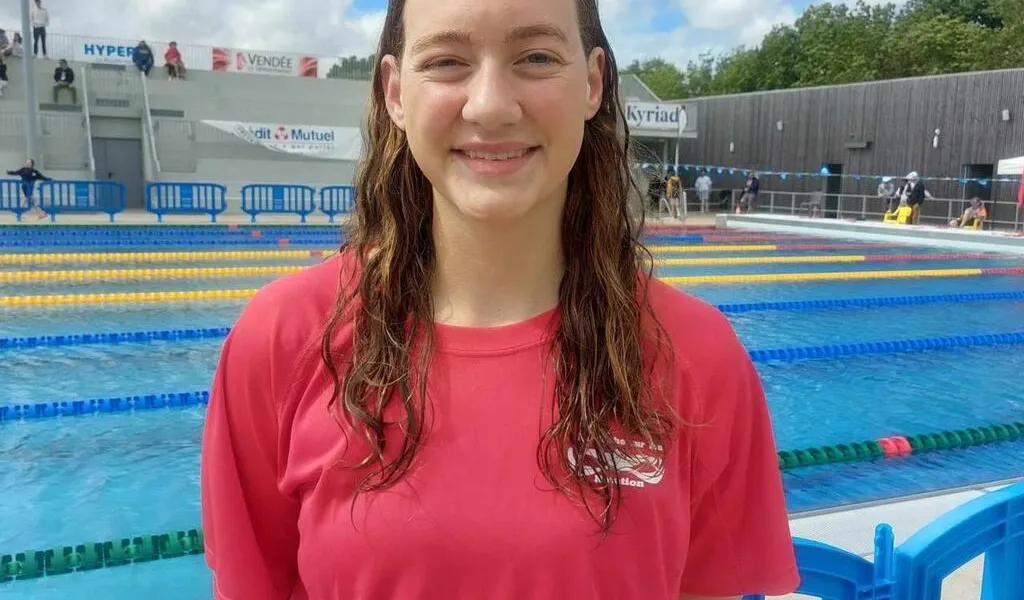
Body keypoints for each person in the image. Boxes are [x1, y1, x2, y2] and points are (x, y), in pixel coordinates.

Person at [200, 0, 799, 597]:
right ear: (395, 92)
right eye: (447, 61)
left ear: (591, 83)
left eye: (536, 58)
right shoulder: (284, 339)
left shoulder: (697, 355)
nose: (490, 105)